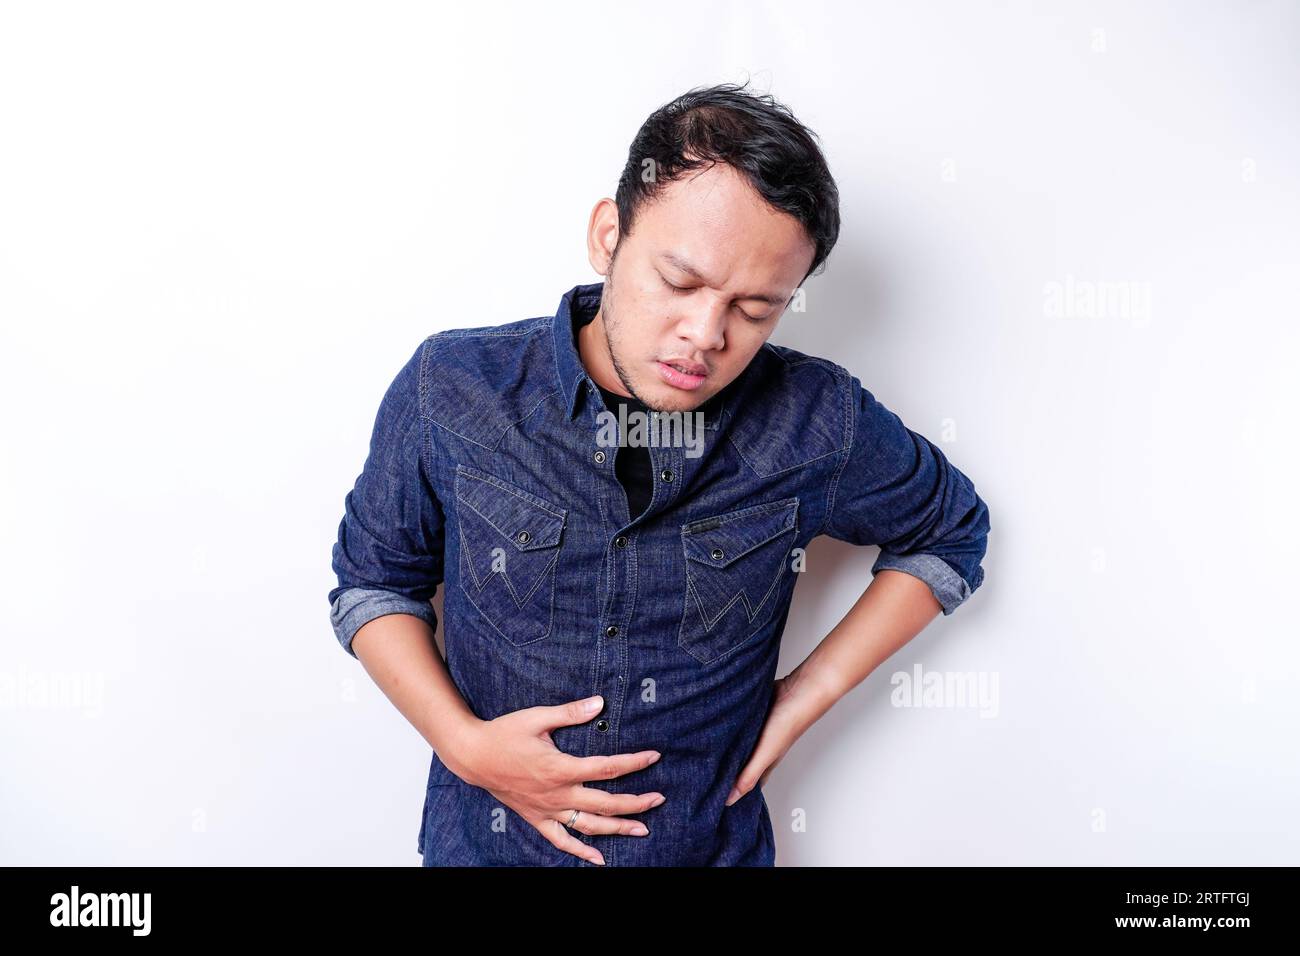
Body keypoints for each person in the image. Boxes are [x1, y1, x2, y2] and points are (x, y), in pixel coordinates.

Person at [328, 81, 991, 866]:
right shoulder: (452, 386)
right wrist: (465, 746)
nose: (704, 336)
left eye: (754, 309)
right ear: (609, 236)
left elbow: (950, 532)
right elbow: (374, 586)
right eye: (680, 283)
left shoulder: (818, 420)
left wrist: (803, 699)